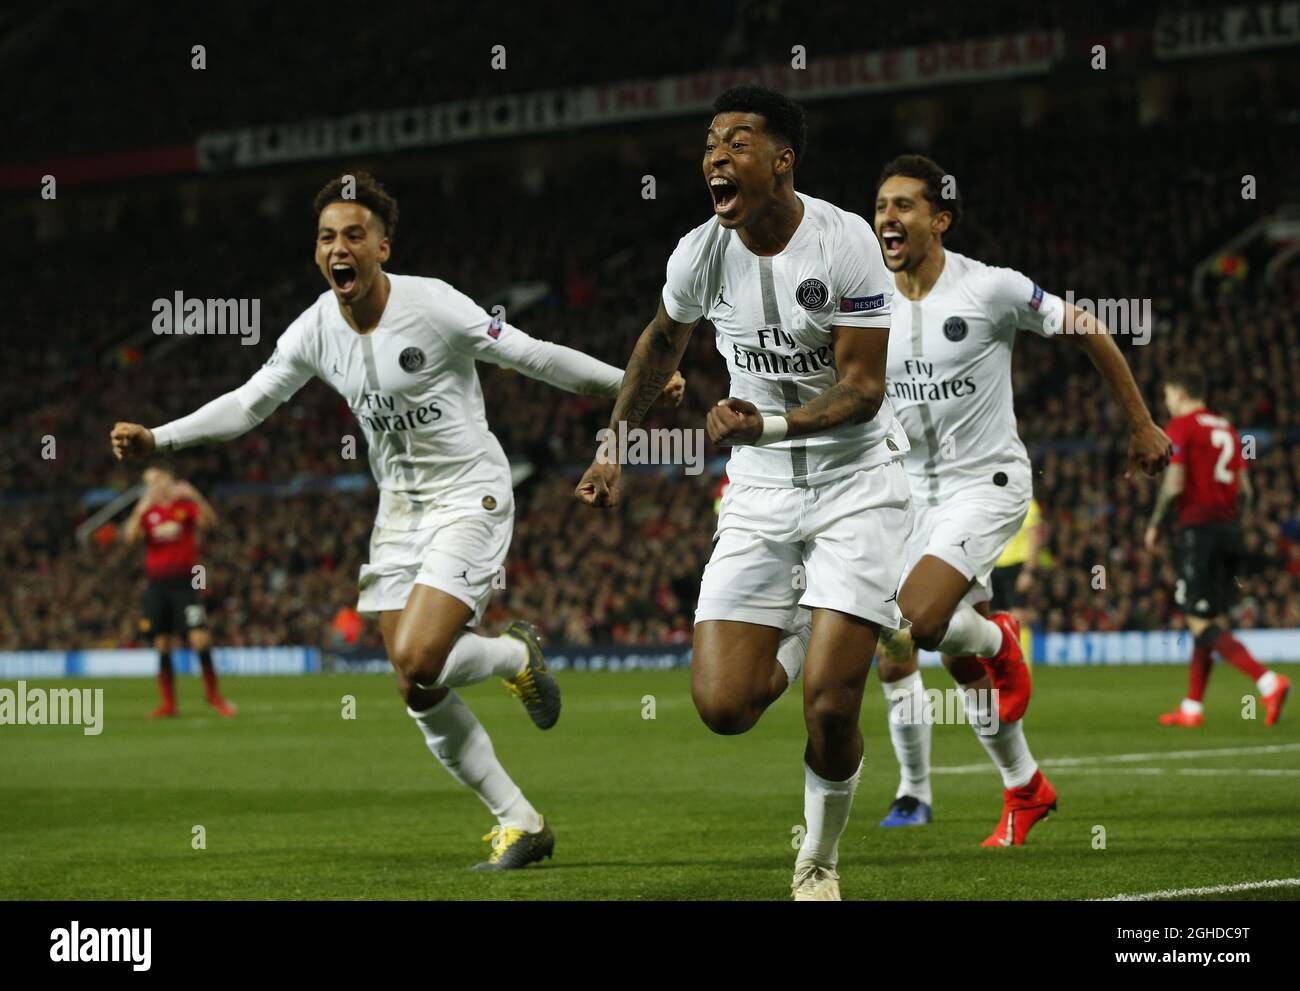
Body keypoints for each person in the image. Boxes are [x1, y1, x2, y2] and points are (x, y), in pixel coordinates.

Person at [112, 171, 684, 870]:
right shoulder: (314, 329)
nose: (339, 247)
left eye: (354, 233)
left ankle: (510, 656)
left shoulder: (432, 304)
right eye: (327, 237)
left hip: (470, 492)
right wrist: (159, 438)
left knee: (418, 654)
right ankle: (520, 813)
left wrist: (634, 380)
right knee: (415, 683)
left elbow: (532, 356)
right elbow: (247, 403)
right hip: (399, 513)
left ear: (383, 245)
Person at [577, 85, 910, 900]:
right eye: (709, 146)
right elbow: (660, 343)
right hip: (758, 497)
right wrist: (614, 442)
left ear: (782, 159)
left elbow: (864, 389)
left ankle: (819, 862)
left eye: (737, 143)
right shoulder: (699, 252)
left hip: (855, 486)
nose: (715, 159)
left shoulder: (846, 242)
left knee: (830, 708)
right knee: (724, 706)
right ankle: (809, 621)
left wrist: (767, 424)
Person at [869, 154, 1172, 845]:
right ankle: (1025, 786)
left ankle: (1003, 640)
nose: (888, 216)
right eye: (882, 204)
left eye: (905, 205)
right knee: (934, 652)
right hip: (907, 496)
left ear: (939, 220)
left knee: (916, 620)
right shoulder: (867, 300)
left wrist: (1140, 421)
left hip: (987, 485)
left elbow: (1090, 327)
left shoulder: (991, 289)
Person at [1146, 367, 1289, 726]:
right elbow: (1247, 491)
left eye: (1167, 397)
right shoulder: (1225, 426)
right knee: (1211, 619)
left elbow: (1175, 483)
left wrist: (1155, 524)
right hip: (1229, 530)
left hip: (1201, 531)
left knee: (1199, 621)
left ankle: (1268, 681)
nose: (1167, 404)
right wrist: (1235, 525)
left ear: (1179, 393)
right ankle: (1193, 707)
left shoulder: (1183, 426)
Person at [123, 466, 233, 718]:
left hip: (187, 583)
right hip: (157, 585)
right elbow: (129, 539)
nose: (154, 487)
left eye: (157, 481)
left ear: (169, 481)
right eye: (149, 484)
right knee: (162, 643)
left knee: (200, 639)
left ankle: (213, 695)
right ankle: (169, 704)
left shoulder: (184, 507)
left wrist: (196, 497)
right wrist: (139, 510)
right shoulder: (147, 512)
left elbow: (210, 524)